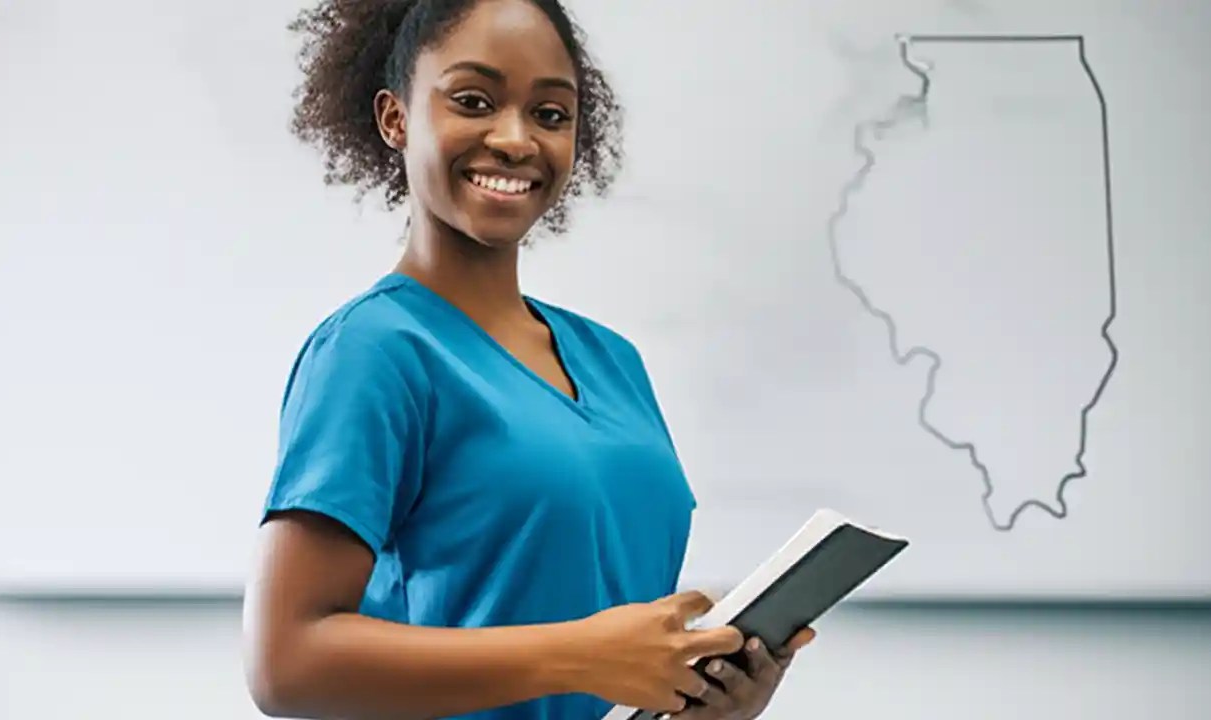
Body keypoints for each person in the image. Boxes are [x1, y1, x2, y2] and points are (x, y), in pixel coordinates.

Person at [242, 1, 816, 719]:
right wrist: (581, 656)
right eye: (474, 101)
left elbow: (603, 647)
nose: (516, 139)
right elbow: (284, 663)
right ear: (395, 117)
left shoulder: (615, 363)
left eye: (550, 114)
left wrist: (700, 693)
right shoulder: (374, 351)